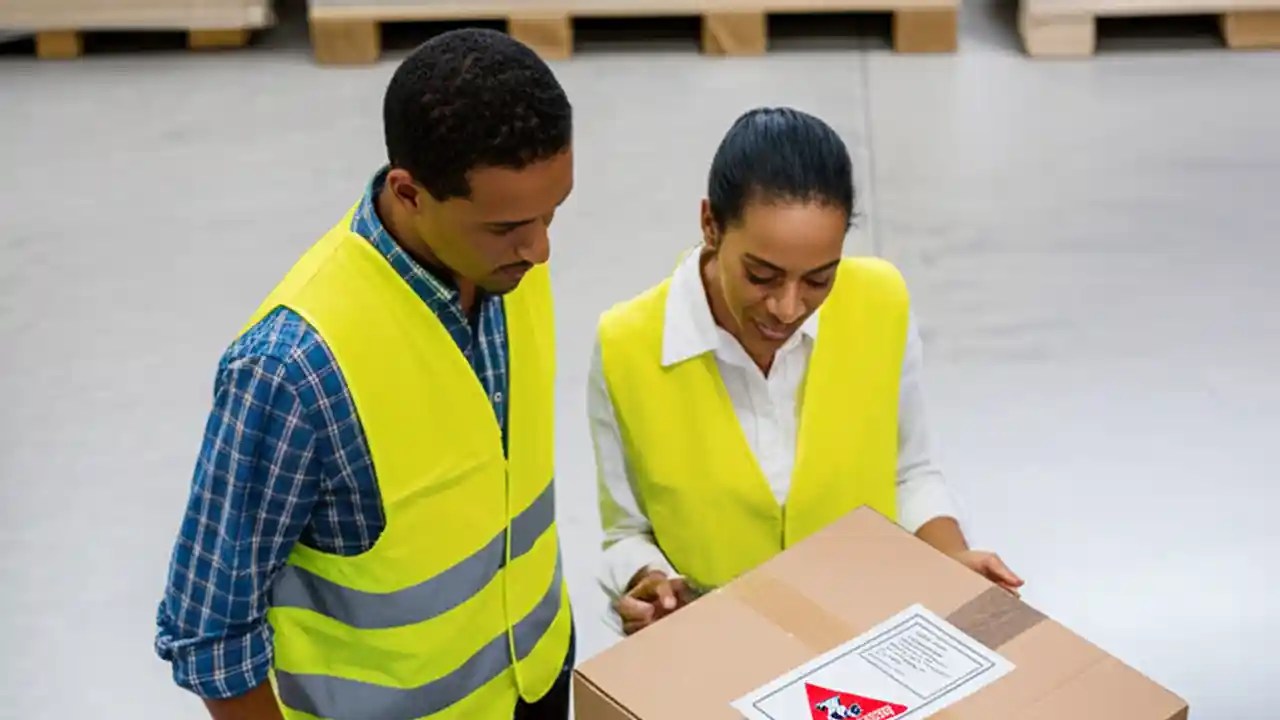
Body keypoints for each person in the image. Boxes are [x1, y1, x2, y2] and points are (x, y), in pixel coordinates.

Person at [154, 29, 576, 720]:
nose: (541, 247)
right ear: (410, 194)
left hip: (532, 680)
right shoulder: (293, 370)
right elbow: (209, 628)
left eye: (552, 213)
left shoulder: (507, 267)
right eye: (508, 226)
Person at [588, 107, 1023, 637]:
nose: (788, 308)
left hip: (863, 630)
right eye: (761, 275)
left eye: (819, 279)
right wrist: (648, 580)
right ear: (710, 224)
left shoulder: (879, 303)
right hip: (721, 643)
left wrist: (952, 560)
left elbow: (910, 473)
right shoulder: (629, 344)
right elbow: (625, 532)